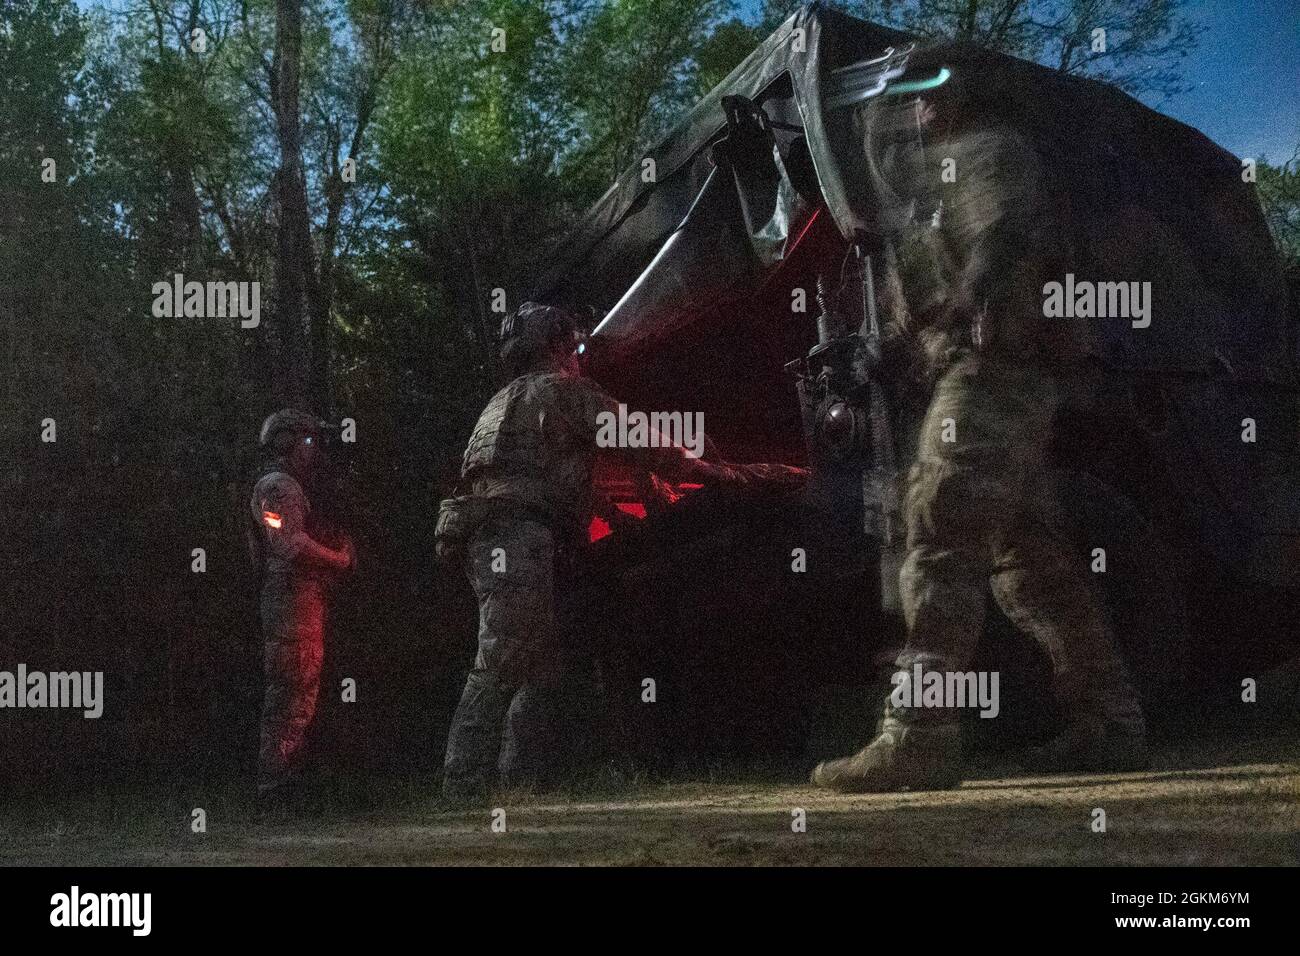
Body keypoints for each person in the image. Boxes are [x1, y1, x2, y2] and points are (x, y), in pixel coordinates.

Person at [811, 98, 1147, 793]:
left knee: (938, 528)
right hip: (998, 370)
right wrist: (893, 350)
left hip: (993, 366)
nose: (910, 111)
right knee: (1028, 560)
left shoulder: (984, 148)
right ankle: (1111, 723)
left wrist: (971, 292)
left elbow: (1003, 234)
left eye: (925, 93)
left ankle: (920, 736)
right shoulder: (928, 193)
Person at [437, 302, 805, 803]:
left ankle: (518, 782)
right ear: (560, 346)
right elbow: (645, 446)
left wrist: (614, 517)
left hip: (498, 535)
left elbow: (551, 480)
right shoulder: (565, 392)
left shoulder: (501, 402)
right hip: (516, 538)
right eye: (576, 345)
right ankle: (463, 785)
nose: (581, 355)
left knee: (538, 661)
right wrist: (721, 475)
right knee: (502, 655)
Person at [248, 409, 355, 806]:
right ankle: (276, 784)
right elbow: (288, 544)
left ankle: (285, 779)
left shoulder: (288, 485)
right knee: (291, 688)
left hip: (300, 597)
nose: (312, 451)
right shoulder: (277, 486)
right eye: (306, 442)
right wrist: (337, 558)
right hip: (290, 598)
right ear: (285, 443)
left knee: (301, 687)